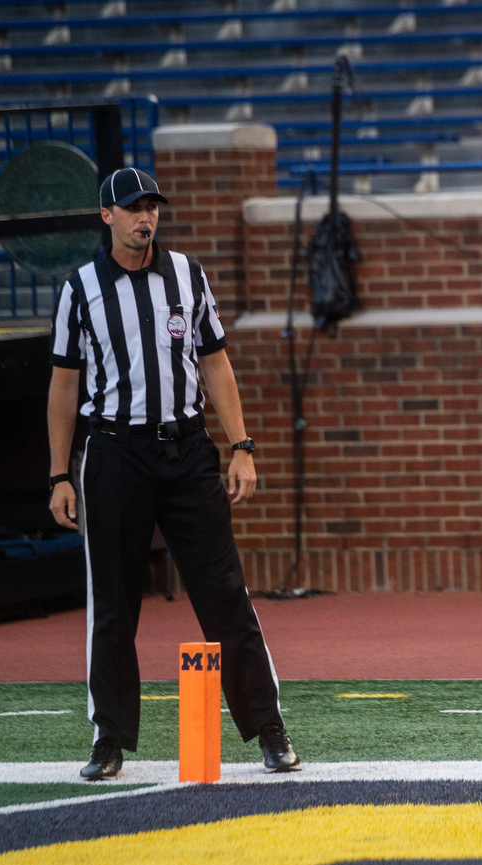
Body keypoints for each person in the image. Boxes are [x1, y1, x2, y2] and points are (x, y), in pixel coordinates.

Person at [47, 167, 301, 780]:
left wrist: (242, 445)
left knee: (225, 594)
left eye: (153, 207)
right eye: (134, 208)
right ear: (106, 216)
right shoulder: (80, 289)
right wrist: (59, 473)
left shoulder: (187, 276)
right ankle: (108, 740)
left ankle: (269, 728)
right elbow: (62, 385)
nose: (146, 217)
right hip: (113, 453)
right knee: (112, 602)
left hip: (186, 451)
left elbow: (216, 364)